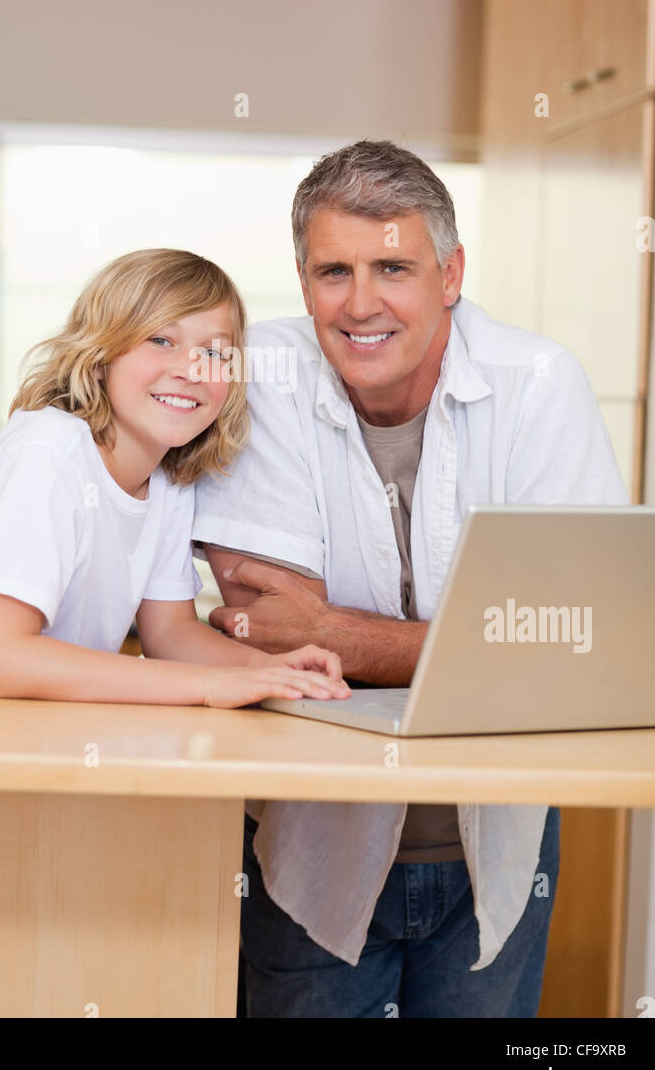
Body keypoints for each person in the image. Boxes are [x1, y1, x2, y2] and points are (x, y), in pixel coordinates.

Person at [194, 141, 628, 1018]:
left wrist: (344, 637)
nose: (360, 304)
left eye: (393, 266)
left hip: (493, 854)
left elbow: (575, 643)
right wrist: (479, 645)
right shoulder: (267, 377)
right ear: (303, 277)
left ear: (451, 273)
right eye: (333, 271)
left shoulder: (538, 386)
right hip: (310, 845)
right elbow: (274, 632)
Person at [0, 248, 349, 710]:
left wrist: (265, 671)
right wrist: (210, 685)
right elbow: (2, 660)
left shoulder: (169, 480)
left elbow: (172, 636)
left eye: (215, 350)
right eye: (161, 340)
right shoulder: (49, 452)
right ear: (101, 354)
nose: (192, 367)